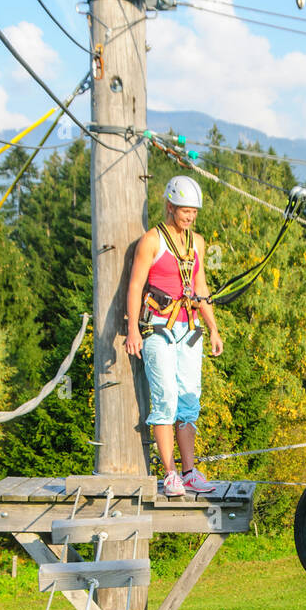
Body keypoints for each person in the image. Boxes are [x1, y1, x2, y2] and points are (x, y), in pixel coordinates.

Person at [125, 175, 223, 497]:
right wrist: (132, 331)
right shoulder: (151, 241)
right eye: (185, 211)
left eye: (193, 212)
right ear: (169, 206)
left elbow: (200, 286)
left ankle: (189, 470)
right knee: (165, 397)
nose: (190, 217)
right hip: (158, 328)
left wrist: (212, 327)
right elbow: (136, 285)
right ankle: (169, 474)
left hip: (189, 328)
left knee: (189, 399)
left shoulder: (197, 242)